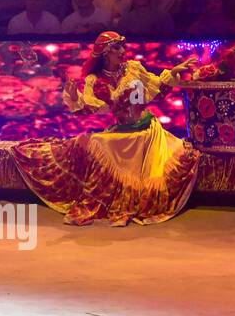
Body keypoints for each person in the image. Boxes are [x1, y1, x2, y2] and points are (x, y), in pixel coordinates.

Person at [11, 32, 199, 225]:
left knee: (156, 173)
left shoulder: (134, 69)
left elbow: (156, 91)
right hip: (122, 132)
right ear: (105, 54)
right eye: (116, 48)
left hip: (146, 133)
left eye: (122, 47)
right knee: (87, 143)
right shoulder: (95, 80)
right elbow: (89, 108)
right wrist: (74, 97)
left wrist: (174, 71)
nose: (122, 51)